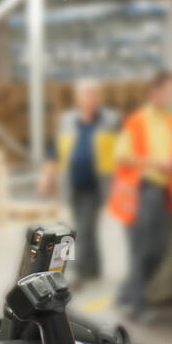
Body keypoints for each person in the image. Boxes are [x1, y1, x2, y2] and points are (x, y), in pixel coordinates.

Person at [107, 69, 172, 320]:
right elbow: (121, 155)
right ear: (154, 92)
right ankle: (137, 306)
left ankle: (125, 293)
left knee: (159, 249)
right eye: (169, 92)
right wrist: (155, 162)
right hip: (141, 190)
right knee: (141, 250)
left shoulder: (169, 121)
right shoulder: (137, 120)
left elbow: (170, 153)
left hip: (160, 192)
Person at [37, 79, 120, 284]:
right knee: (85, 228)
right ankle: (94, 267)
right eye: (85, 94)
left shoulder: (110, 121)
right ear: (78, 98)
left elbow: (122, 150)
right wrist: (47, 175)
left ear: (98, 97)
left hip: (96, 183)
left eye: (93, 94)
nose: (89, 98)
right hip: (72, 183)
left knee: (83, 228)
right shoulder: (68, 120)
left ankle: (79, 272)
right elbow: (55, 149)